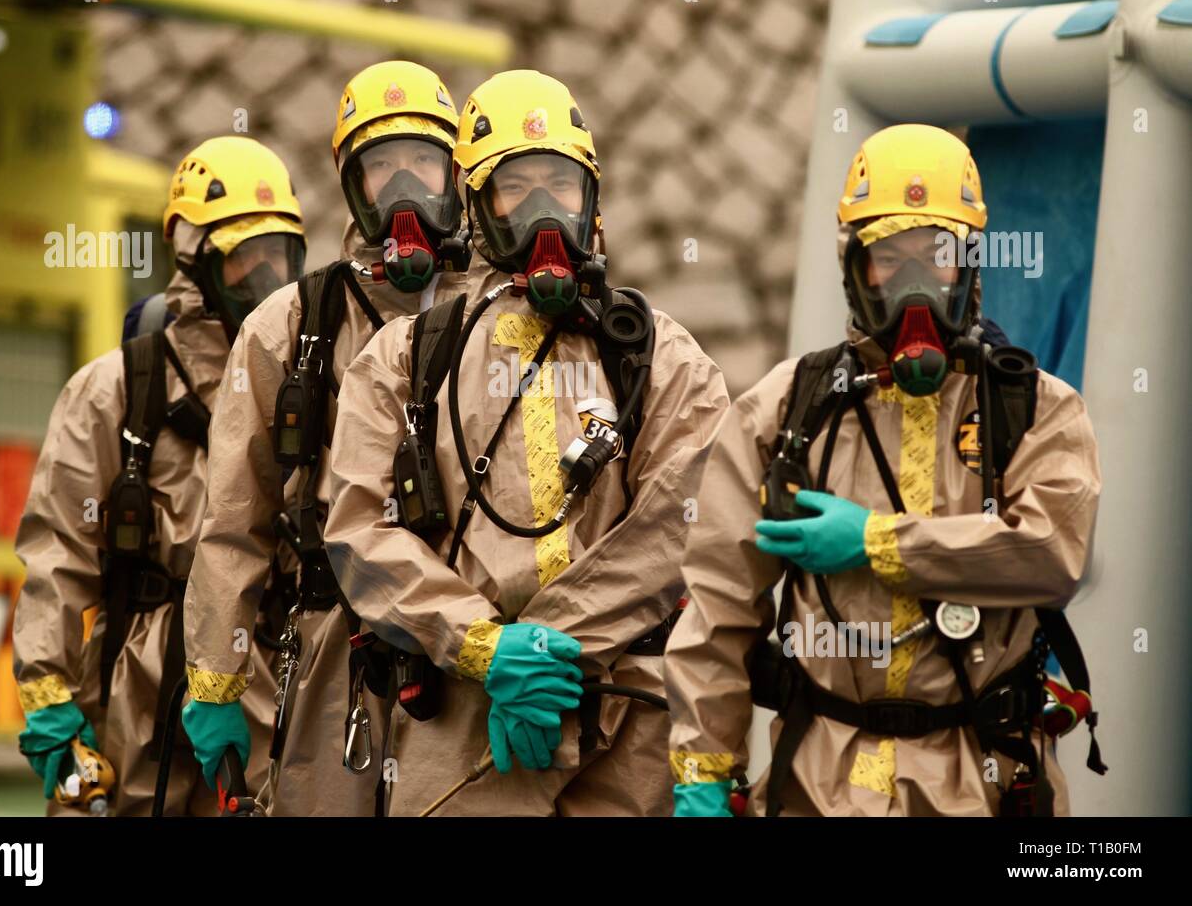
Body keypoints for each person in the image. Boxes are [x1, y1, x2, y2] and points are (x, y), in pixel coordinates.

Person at [322, 69, 730, 816]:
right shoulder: (404, 359)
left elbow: (686, 523)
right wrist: (483, 646)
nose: (546, 212)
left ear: (592, 199)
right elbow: (357, 532)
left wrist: (545, 641)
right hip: (463, 718)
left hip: (629, 717)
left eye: (561, 185)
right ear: (476, 205)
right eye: (518, 189)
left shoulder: (657, 357)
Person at [665, 123, 1103, 817]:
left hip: (983, 780)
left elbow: (1051, 554)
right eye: (888, 259)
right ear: (853, 267)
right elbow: (720, 608)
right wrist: (703, 771)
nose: (916, 285)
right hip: (818, 778)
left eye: (937, 256)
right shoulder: (787, 411)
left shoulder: (1036, 410)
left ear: (971, 264)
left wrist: (876, 543)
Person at [179, 61, 497, 815]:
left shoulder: (502, 323)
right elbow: (233, 523)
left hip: (471, 649)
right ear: (351, 186)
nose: (405, 189)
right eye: (381, 167)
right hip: (331, 648)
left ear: (456, 179)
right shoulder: (287, 326)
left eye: (423, 163)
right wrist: (215, 680)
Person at [13, 136, 304, 815]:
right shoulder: (113, 391)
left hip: (258, 671)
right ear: (193, 256)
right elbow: (56, 552)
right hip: (132, 680)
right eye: (244, 259)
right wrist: (50, 699)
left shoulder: (301, 389)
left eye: (279, 258)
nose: (266, 278)